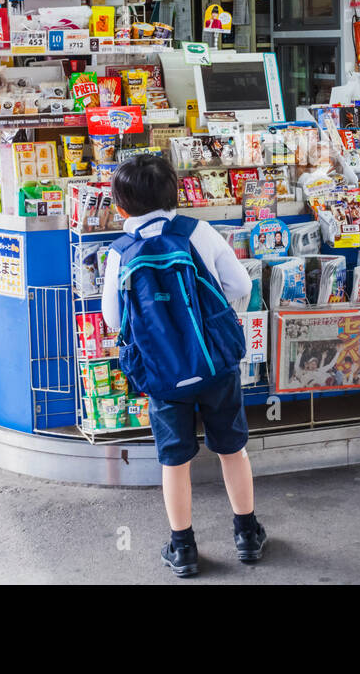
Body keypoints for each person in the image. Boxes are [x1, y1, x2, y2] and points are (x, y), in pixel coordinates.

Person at [100, 155, 267, 576]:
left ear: (121, 206)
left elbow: (114, 319)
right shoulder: (199, 232)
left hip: (161, 373)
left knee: (174, 460)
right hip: (214, 363)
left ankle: (183, 549)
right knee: (232, 449)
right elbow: (241, 285)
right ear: (174, 193)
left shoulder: (120, 252)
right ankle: (247, 536)